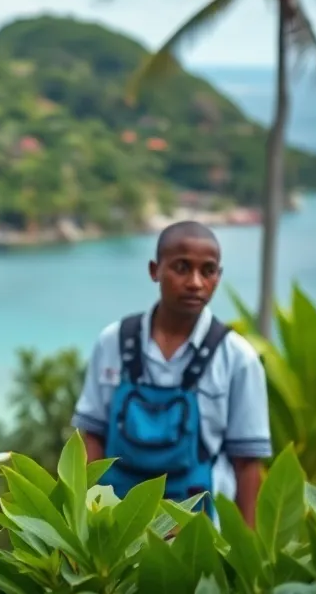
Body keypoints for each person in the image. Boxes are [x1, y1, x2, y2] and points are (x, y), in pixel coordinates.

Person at [70, 221, 271, 526]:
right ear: (155, 270)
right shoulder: (114, 342)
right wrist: (83, 522)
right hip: (116, 523)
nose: (195, 282)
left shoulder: (237, 358)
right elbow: (92, 437)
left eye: (208, 271)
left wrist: (247, 558)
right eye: (181, 267)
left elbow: (247, 464)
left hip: (199, 527)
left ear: (218, 276)